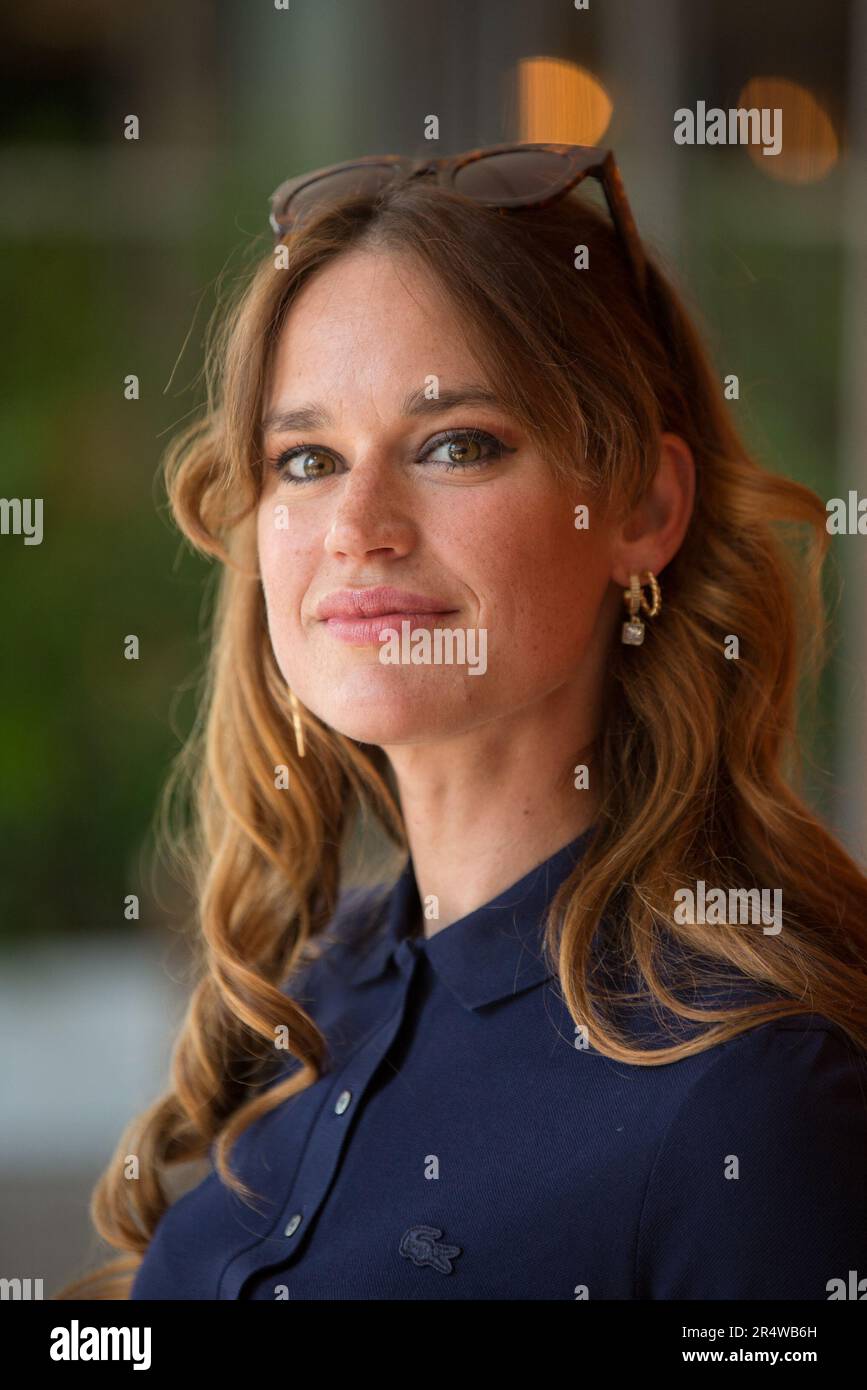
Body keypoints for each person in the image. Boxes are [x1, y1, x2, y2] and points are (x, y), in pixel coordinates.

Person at [57, 145, 867, 1300]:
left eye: (455, 445)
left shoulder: (755, 1096)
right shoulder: (313, 989)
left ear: (643, 505)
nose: (358, 526)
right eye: (307, 459)